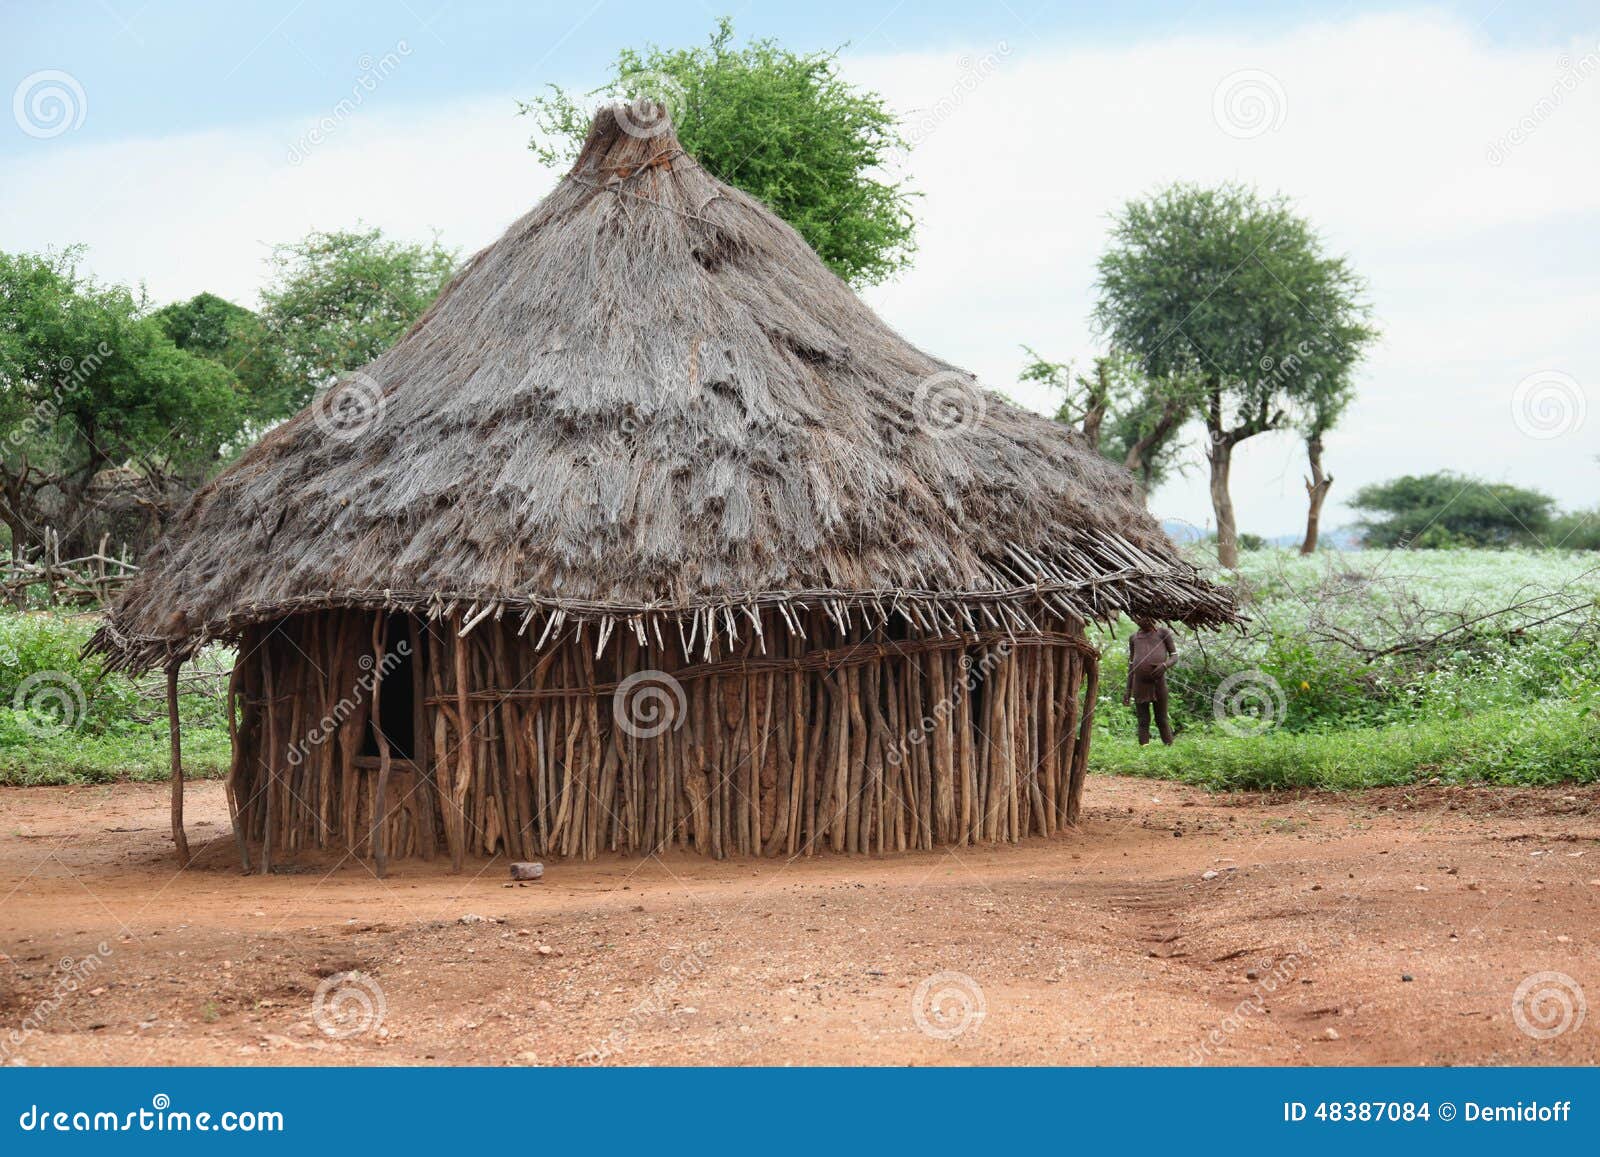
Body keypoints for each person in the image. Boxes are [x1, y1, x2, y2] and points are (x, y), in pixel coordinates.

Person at [1122, 617, 1177, 746]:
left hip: (1159, 682)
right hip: (1139, 684)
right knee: (1143, 719)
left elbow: (1174, 656)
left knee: (1161, 719)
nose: (1143, 621)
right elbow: (1131, 665)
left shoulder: (1163, 633)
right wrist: (1128, 690)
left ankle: (1169, 746)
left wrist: (1164, 665)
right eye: (1139, 619)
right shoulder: (1134, 637)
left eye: (1146, 618)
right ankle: (1144, 748)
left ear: (1153, 618)